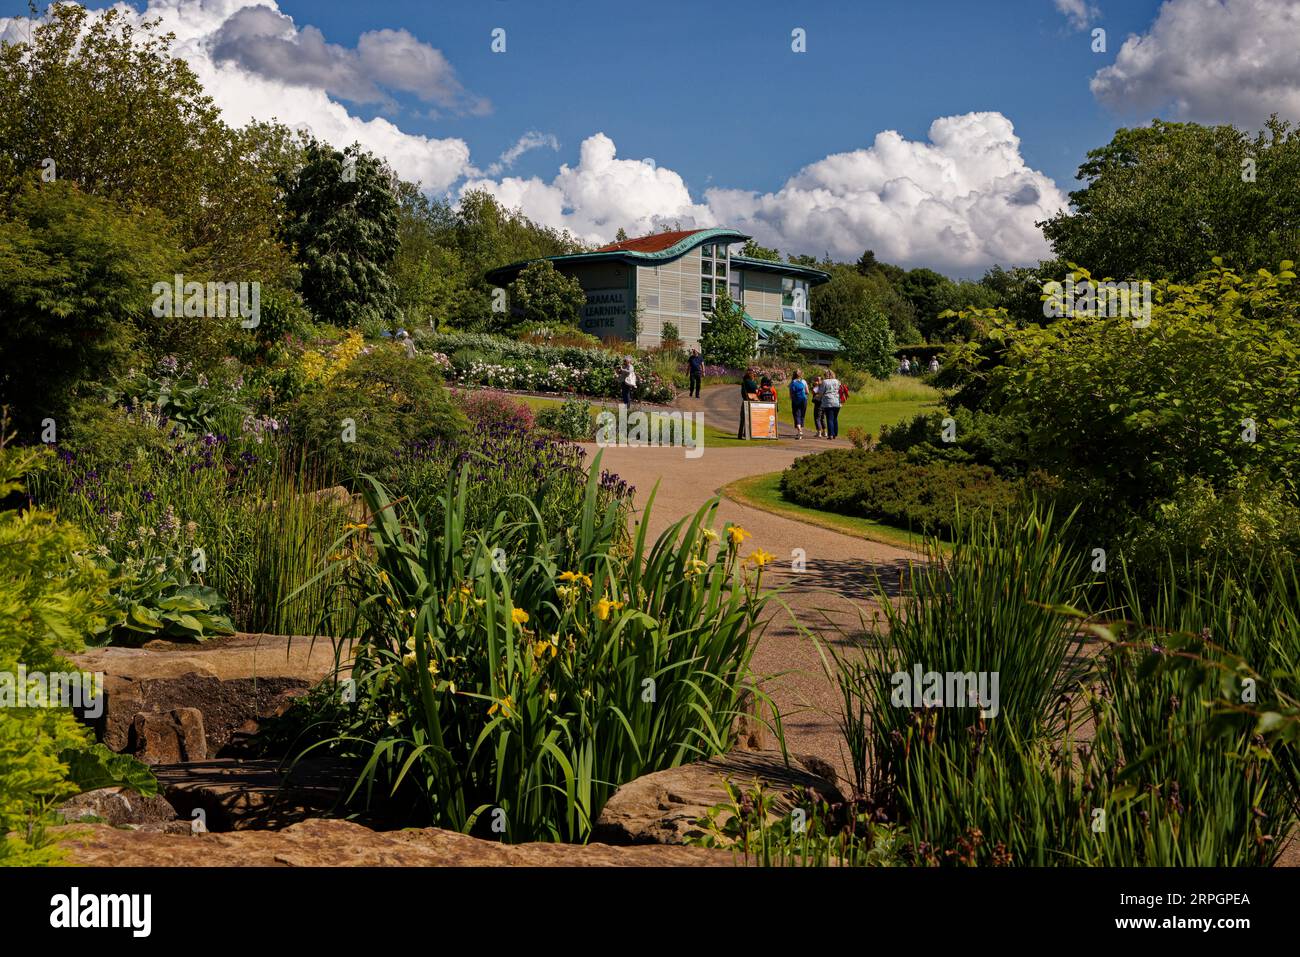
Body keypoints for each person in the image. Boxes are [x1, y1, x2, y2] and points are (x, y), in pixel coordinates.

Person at [737, 368, 759, 438]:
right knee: (749, 418)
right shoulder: (752, 383)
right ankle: (746, 434)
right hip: (751, 401)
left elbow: (742, 393)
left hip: (745, 400)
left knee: (743, 419)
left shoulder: (743, 382)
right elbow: (756, 391)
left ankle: (740, 434)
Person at [820, 370, 842, 439]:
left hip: (828, 401)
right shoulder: (837, 381)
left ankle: (830, 434)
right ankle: (835, 433)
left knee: (829, 418)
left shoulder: (825, 382)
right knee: (835, 418)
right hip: (837, 401)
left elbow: (821, 392)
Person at [788, 369, 808, 439]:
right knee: (802, 415)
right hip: (804, 400)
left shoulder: (792, 382)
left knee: (797, 415)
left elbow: (790, 393)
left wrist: (792, 399)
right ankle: (800, 431)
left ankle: (799, 431)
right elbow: (807, 392)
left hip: (795, 400)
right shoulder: (804, 381)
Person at [810, 374, 825, 438]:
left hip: (818, 403)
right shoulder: (824, 386)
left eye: (817, 380)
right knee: (822, 418)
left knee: (817, 418)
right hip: (824, 403)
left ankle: (819, 432)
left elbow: (813, 392)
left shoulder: (818, 386)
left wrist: (816, 385)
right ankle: (824, 432)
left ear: (821, 380)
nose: (816, 381)